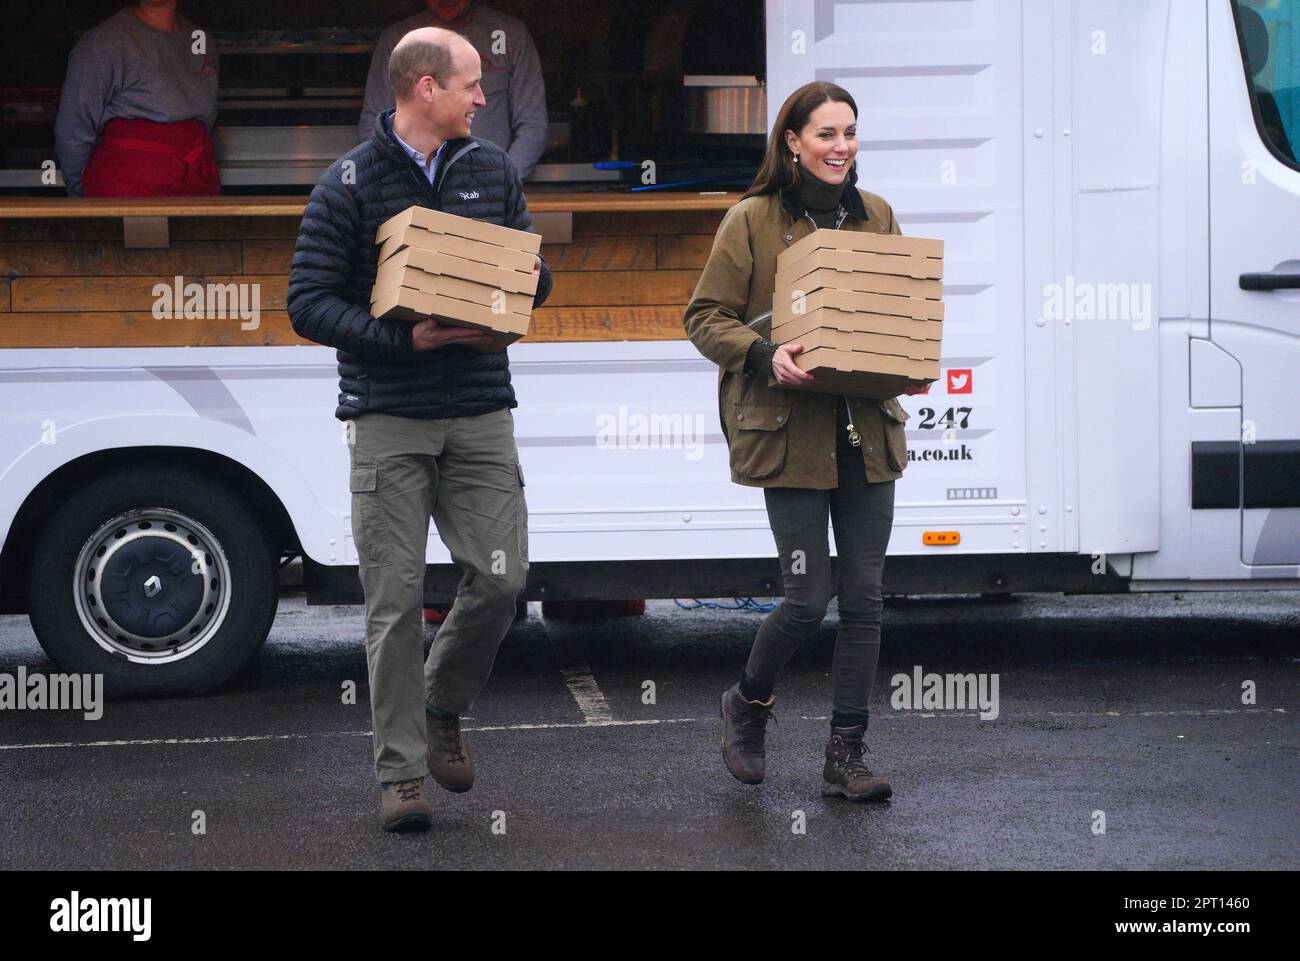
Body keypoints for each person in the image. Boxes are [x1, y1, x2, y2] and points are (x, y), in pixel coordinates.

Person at [287, 27, 552, 832]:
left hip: (478, 408)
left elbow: (535, 277)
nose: (483, 99)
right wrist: (401, 338)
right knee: (393, 602)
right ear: (426, 88)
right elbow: (308, 302)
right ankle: (400, 775)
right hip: (388, 417)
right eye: (472, 86)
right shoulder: (350, 181)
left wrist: (519, 281)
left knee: (502, 580)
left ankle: (442, 702)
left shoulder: (492, 169)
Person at [683, 81, 933, 802]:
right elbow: (705, 317)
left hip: (865, 433)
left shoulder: (876, 214)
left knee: (864, 599)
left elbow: (893, 315)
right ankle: (748, 702)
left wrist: (909, 366)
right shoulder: (751, 220)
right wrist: (765, 355)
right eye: (826, 133)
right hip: (789, 435)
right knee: (806, 597)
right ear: (792, 142)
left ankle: (845, 754)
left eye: (850, 132)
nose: (842, 146)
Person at [358, 0, 548, 179]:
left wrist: (499, 182)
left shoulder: (511, 34)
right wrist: (401, 184)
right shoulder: (396, 39)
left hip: (486, 188)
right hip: (412, 192)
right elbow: (373, 124)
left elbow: (533, 126)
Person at [54, 0, 219, 197]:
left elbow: (207, 116)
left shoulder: (200, 40)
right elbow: (73, 129)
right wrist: (83, 201)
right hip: (125, 190)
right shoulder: (103, 41)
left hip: (195, 183)